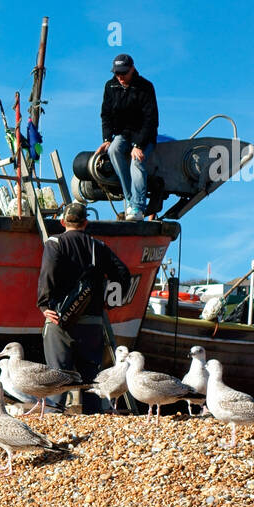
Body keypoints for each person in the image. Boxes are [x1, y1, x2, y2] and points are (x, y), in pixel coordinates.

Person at [37, 202, 131, 414]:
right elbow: (123, 274)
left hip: (59, 321)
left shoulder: (55, 243)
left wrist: (44, 305)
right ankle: (94, 420)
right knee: (91, 377)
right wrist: (111, 301)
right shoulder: (99, 246)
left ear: (62, 222)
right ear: (85, 222)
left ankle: (54, 418)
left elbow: (47, 276)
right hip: (92, 322)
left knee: (58, 375)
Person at [95, 53, 159, 221]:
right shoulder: (110, 87)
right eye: (117, 73)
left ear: (132, 69)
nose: (120, 77)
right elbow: (106, 115)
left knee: (137, 162)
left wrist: (139, 145)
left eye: (124, 73)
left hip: (143, 134)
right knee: (114, 150)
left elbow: (151, 119)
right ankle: (131, 200)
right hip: (123, 134)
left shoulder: (146, 87)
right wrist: (107, 139)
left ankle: (137, 206)